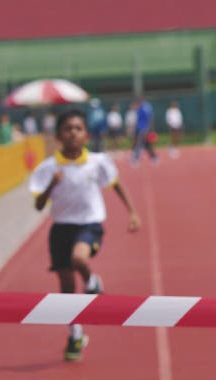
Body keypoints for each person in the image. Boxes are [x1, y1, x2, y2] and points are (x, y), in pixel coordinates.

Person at [29, 109, 141, 361]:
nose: (72, 133)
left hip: (89, 224)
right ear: (58, 135)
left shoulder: (97, 161)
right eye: (67, 128)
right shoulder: (48, 168)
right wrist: (51, 185)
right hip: (60, 229)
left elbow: (115, 184)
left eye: (78, 128)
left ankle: (91, 283)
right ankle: (76, 333)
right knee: (66, 290)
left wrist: (133, 212)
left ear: (86, 135)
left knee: (79, 259)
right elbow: (38, 205)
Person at [131, 96, 158, 165]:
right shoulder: (142, 107)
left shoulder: (145, 106)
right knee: (146, 144)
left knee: (139, 143)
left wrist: (150, 128)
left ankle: (136, 159)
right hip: (141, 127)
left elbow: (149, 117)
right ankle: (154, 157)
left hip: (143, 128)